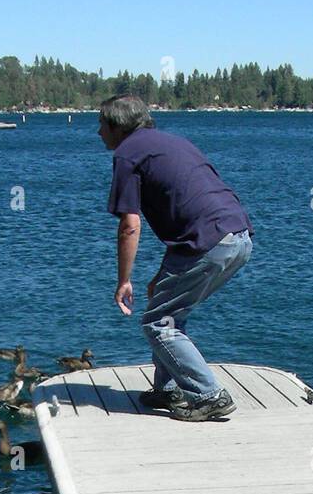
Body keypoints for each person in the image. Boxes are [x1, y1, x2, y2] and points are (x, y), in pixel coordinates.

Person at [99, 95, 253, 423]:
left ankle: (208, 394)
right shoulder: (172, 142)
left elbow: (129, 225)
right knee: (169, 310)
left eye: (101, 124)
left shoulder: (127, 154)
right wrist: (162, 275)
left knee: (157, 321)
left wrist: (124, 280)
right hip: (237, 235)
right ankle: (168, 388)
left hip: (208, 241)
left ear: (117, 127)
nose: (98, 132)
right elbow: (188, 209)